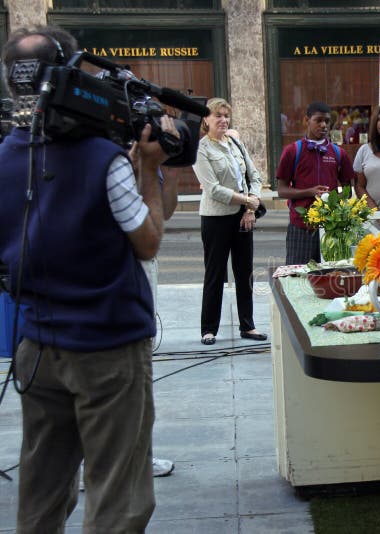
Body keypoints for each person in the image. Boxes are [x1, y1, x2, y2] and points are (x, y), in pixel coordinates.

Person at [0, 25, 178, 532]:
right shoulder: (102, 158)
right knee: (117, 492)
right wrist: (149, 169)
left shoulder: (4, 156)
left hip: (37, 347)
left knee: (42, 483)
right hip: (108, 348)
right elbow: (147, 241)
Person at [193, 97, 267, 345]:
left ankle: (248, 326)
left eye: (226, 115)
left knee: (245, 272)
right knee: (215, 273)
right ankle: (208, 329)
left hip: (242, 216)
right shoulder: (201, 149)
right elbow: (213, 189)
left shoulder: (235, 142)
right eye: (218, 115)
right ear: (206, 119)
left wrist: (250, 208)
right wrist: (247, 201)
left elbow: (254, 176)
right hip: (215, 218)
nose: (223, 120)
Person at [276, 101, 355, 265]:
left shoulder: (338, 153)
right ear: (307, 120)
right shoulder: (293, 151)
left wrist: (333, 201)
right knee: (298, 273)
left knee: (332, 273)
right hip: (300, 226)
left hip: (331, 227)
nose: (324, 125)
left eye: (327, 121)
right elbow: (282, 190)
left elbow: (348, 189)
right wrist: (309, 192)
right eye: (318, 120)